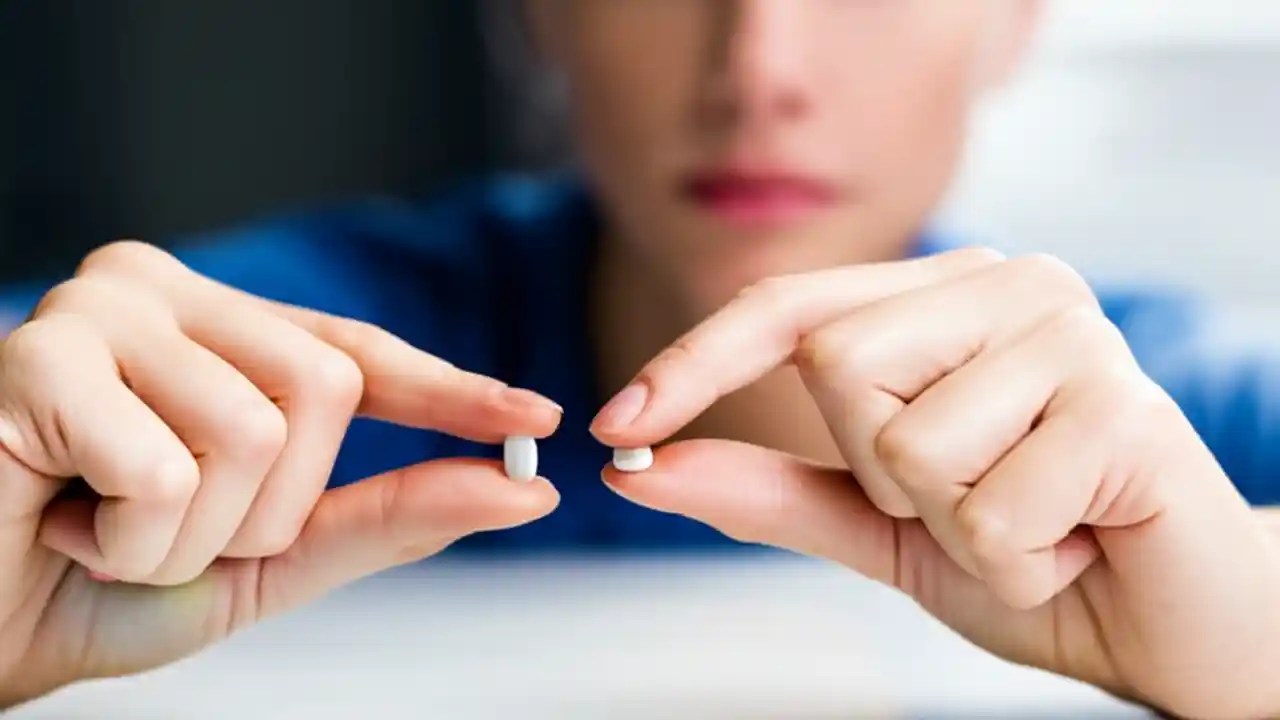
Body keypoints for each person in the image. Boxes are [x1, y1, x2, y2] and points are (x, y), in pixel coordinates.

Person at [1, 1, 1278, 716]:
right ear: (537, 20)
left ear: (1009, 25)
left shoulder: (1167, 429)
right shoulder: (286, 362)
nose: (759, 70)